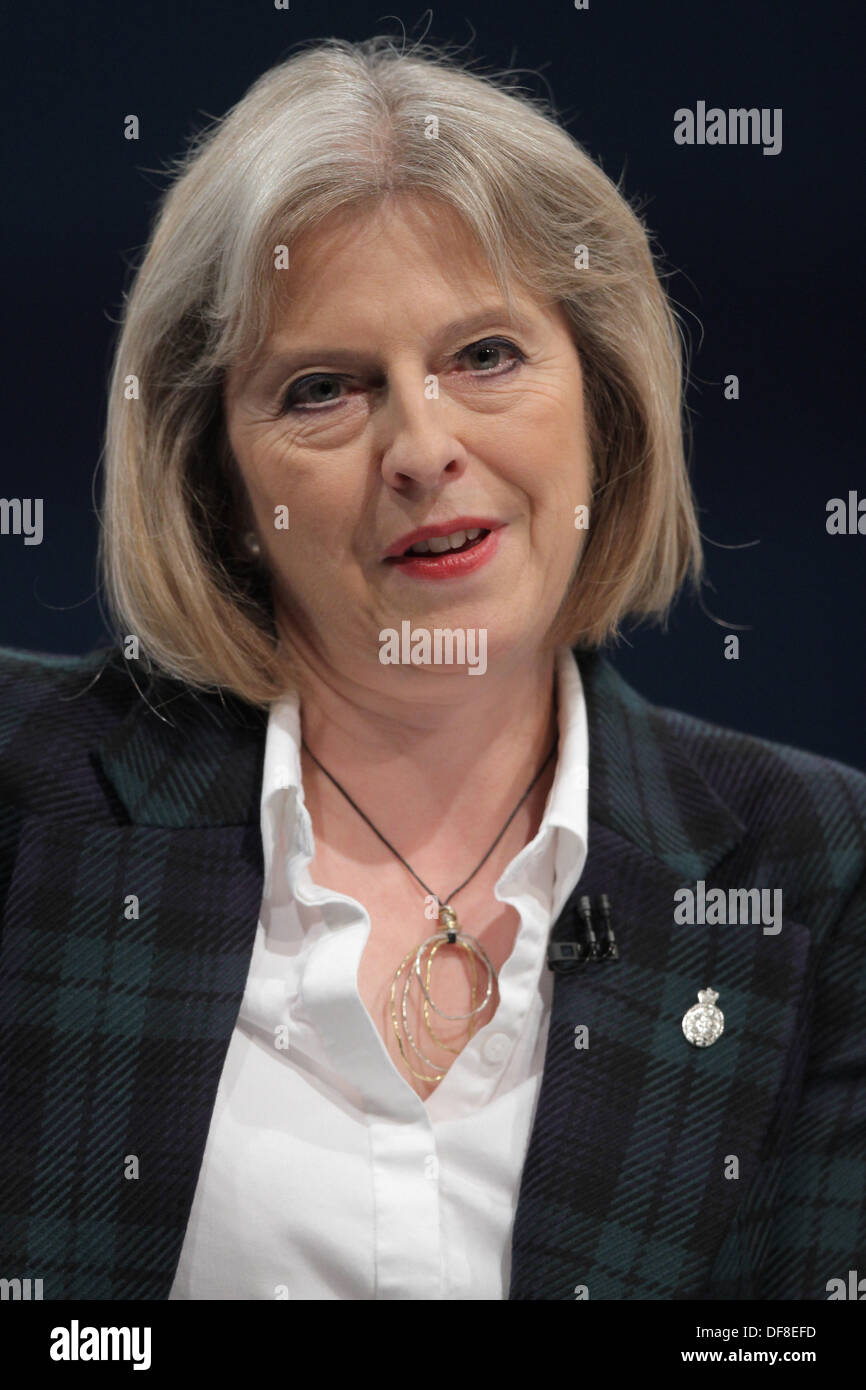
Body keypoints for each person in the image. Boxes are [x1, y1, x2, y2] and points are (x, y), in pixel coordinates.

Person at [0, 35, 863, 1302]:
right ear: (222, 487)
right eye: (322, 389)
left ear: (601, 402)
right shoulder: (29, 797)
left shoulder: (819, 870)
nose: (422, 445)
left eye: (485, 357)